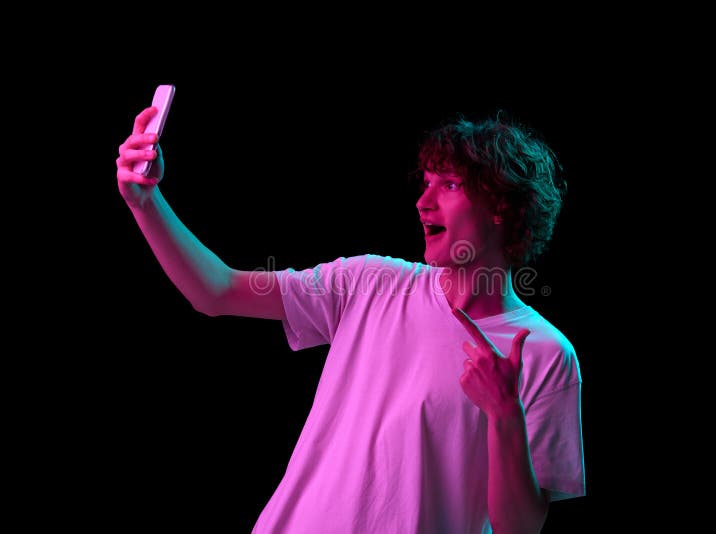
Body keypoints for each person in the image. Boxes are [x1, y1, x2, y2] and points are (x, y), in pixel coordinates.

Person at [116, 105, 585, 533]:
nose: (423, 202)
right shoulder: (369, 282)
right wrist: (146, 203)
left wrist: (505, 414)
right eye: (425, 183)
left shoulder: (546, 354)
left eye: (449, 185)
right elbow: (215, 290)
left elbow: (519, 527)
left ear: (503, 206)